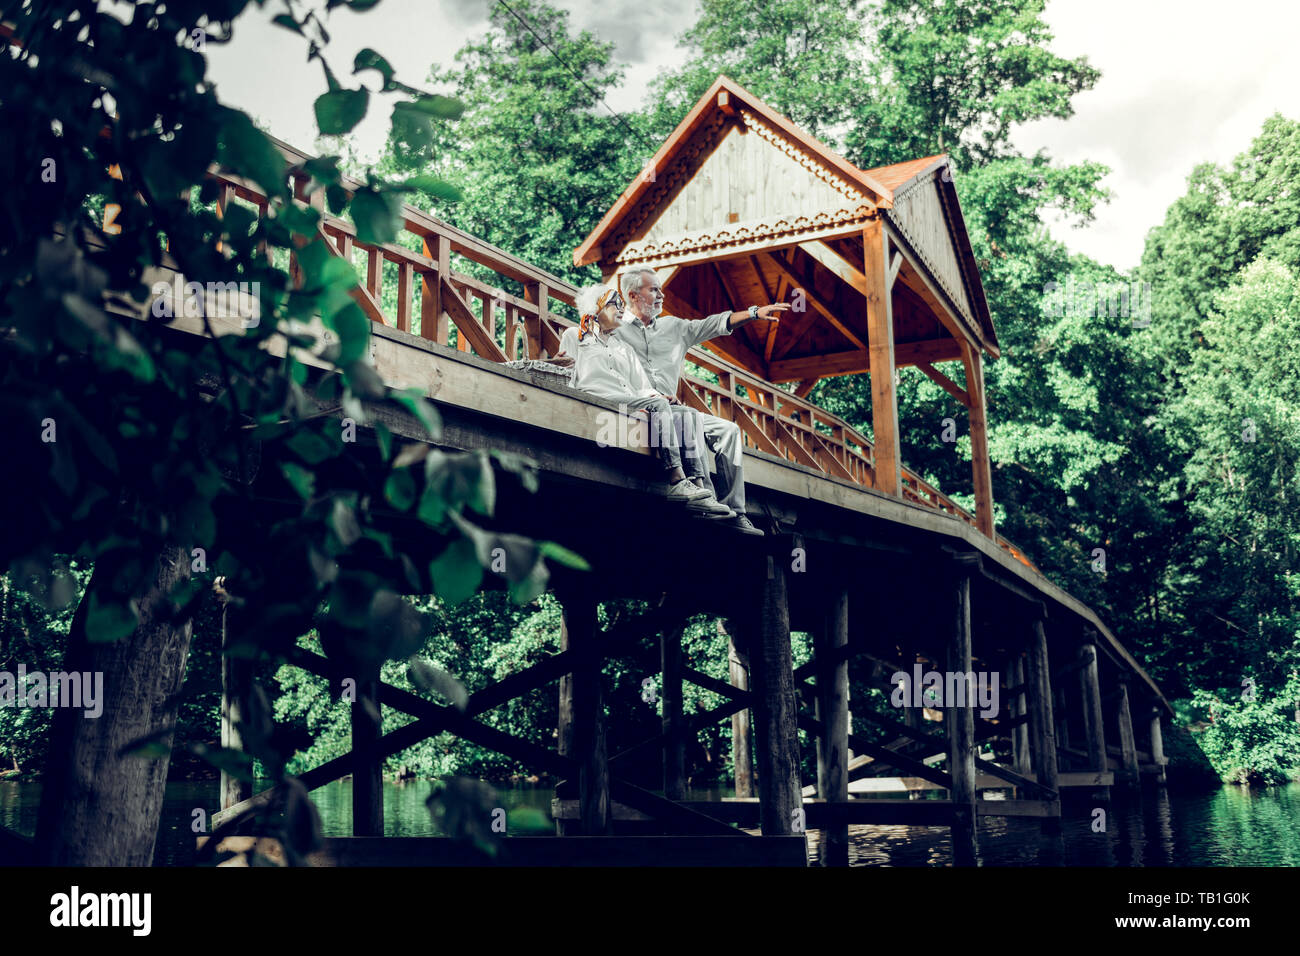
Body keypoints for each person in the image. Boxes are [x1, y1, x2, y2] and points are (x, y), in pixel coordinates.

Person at [616, 266, 789, 536]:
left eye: (661, 289)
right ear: (633, 295)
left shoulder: (675, 328)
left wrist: (754, 313)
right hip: (642, 407)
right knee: (690, 416)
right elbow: (592, 355)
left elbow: (715, 324)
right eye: (654, 290)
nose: (662, 295)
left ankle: (736, 513)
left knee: (730, 430)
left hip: (672, 410)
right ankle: (705, 498)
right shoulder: (614, 328)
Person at [555, 284, 731, 518]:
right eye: (614, 304)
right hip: (596, 399)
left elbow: (642, 387)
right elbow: (564, 372)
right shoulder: (574, 335)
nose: (621, 309)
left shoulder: (624, 347)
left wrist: (662, 396)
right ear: (596, 308)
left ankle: (700, 490)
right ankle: (676, 477)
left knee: (686, 414)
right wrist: (555, 363)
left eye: (621, 304)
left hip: (628, 400)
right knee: (658, 406)